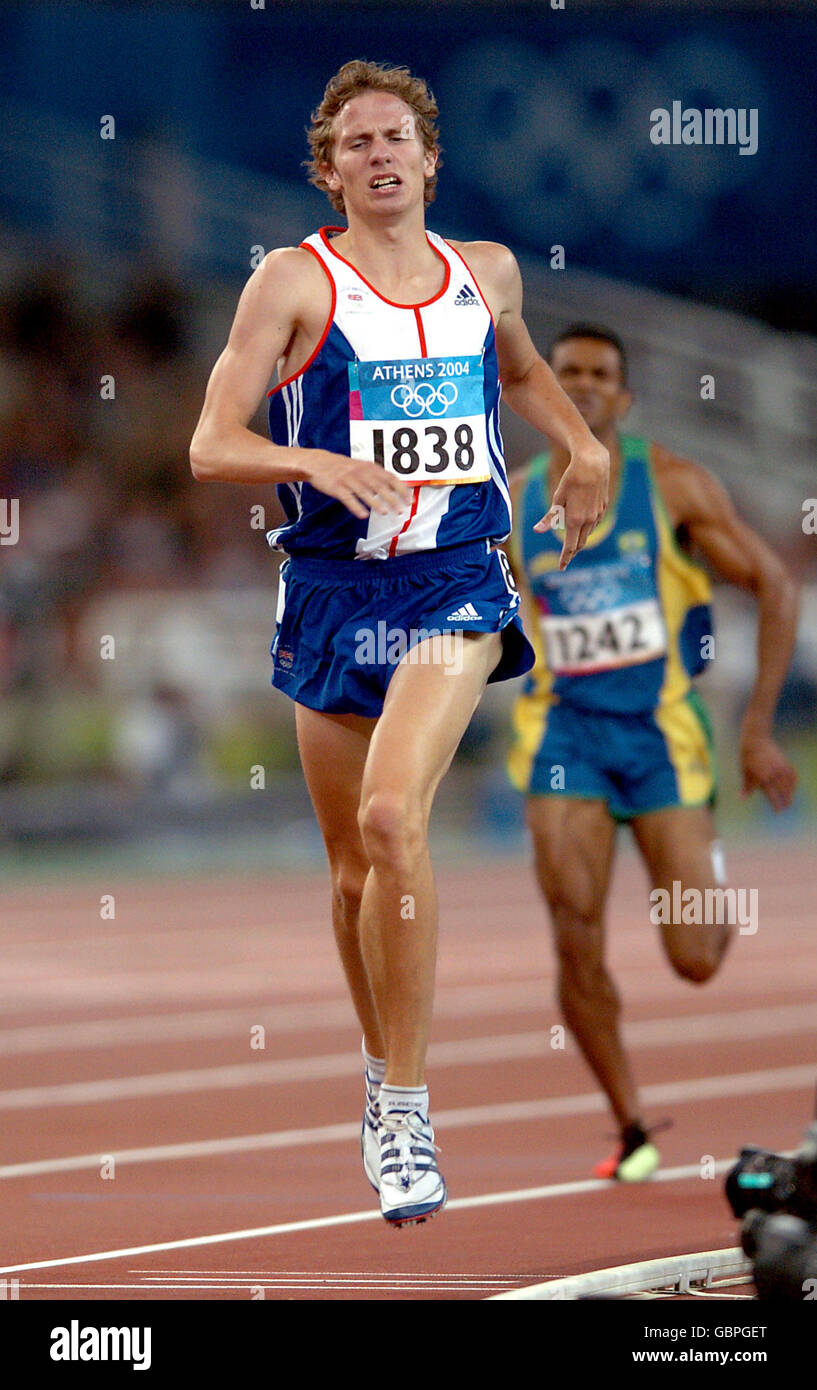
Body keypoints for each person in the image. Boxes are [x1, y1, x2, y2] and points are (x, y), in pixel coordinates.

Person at [189, 63, 609, 1224]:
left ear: (430, 158)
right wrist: (310, 460)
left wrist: (581, 446)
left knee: (391, 819)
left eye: (398, 137)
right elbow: (209, 444)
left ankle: (411, 1110)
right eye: (355, 143)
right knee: (349, 872)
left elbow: (519, 367)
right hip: (330, 591)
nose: (380, 155)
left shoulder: (488, 274)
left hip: (456, 585)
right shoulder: (291, 281)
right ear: (330, 173)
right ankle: (379, 1076)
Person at [507, 323, 799, 1181]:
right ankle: (629, 1125)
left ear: (623, 399)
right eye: (566, 373)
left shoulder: (672, 484)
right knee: (573, 928)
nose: (584, 384)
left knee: (696, 958)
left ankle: (698, 861)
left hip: (663, 738)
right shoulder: (511, 501)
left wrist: (754, 730)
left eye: (601, 374)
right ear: (540, 389)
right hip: (562, 737)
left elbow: (775, 588)